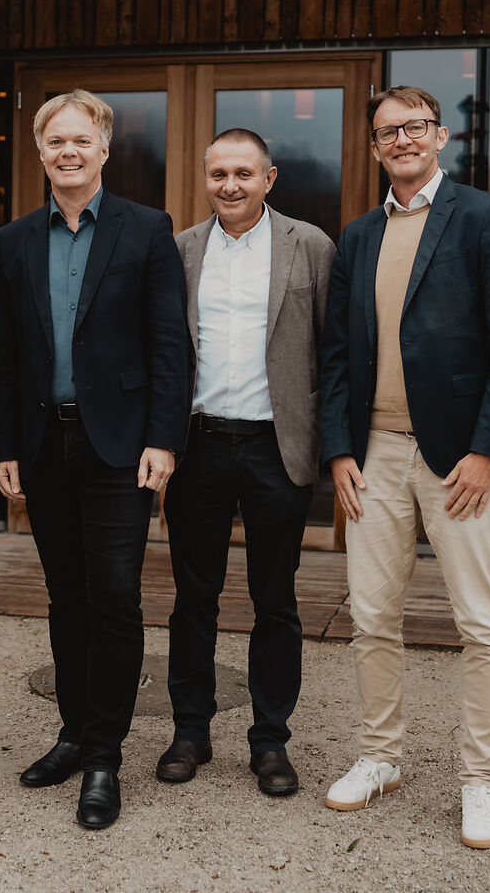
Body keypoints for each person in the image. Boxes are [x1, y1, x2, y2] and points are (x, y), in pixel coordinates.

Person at [318, 85, 490, 849]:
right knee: (373, 618)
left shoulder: (483, 217)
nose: (401, 140)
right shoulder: (358, 236)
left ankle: (481, 782)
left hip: (459, 462)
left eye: (414, 127)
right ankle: (380, 758)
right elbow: (338, 354)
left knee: (482, 623)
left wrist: (488, 452)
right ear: (374, 148)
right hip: (373, 455)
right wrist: (340, 450)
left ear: (440, 135)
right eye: (386, 133)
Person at [0, 88, 191, 830]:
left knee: (114, 596)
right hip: (44, 444)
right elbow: (8, 354)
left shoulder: (145, 230)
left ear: (104, 149)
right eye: (55, 141)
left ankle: (104, 756)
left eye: (82, 140)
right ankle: (74, 733)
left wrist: (163, 439)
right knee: (65, 596)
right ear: (40, 151)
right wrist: (4, 446)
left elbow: (170, 345)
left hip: (119, 447)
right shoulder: (11, 243)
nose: (68, 152)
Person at [158, 129, 334, 797]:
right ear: (205, 179)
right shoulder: (180, 252)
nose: (229, 185)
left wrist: (329, 443)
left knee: (275, 601)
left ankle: (269, 742)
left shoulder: (310, 246)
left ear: (270, 177)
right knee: (193, 599)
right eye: (218, 174)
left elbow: (331, 348)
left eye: (243, 173)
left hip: (275, 446)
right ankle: (190, 732)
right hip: (200, 444)